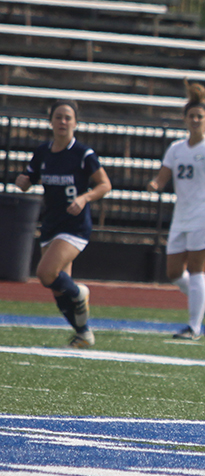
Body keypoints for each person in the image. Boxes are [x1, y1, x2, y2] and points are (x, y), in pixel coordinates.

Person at [14, 100, 112, 348]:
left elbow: (104, 185)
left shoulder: (83, 153)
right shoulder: (42, 152)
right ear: (51, 121)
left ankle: (81, 293)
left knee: (45, 273)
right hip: (51, 224)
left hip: (75, 225)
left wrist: (84, 197)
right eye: (58, 117)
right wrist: (23, 180)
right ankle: (83, 333)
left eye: (68, 117)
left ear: (75, 123)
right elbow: (30, 177)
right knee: (58, 289)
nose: (63, 122)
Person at [147, 82, 205, 340]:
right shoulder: (176, 148)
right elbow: (163, 178)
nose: (196, 120)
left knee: (197, 269)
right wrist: (155, 185)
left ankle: (193, 327)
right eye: (191, 116)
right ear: (185, 119)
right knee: (174, 272)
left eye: (200, 116)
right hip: (182, 214)